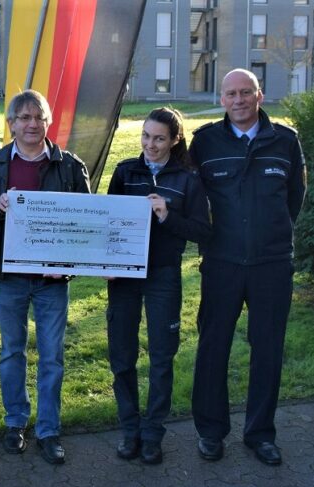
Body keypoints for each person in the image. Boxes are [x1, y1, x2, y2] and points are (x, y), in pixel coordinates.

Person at [0, 90, 90, 464]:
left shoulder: (69, 166)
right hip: (10, 276)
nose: (32, 124)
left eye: (39, 117)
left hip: (52, 280)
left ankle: (48, 430)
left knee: (52, 357)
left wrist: (71, 261)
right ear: (11, 124)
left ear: (48, 122)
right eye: (24, 118)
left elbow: (85, 222)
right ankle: (15, 422)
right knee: (12, 352)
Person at [190, 69, 307, 466]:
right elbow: (192, 196)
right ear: (222, 99)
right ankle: (210, 431)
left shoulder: (285, 141)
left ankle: (260, 434)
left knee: (268, 350)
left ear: (259, 95)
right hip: (221, 263)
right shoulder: (205, 142)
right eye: (231, 94)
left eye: (246, 92)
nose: (238, 100)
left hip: (271, 265)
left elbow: (294, 198)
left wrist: (270, 236)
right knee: (212, 347)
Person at [106, 107, 211, 465]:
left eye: (159, 138)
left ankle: (153, 434)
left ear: (175, 139)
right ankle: (130, 430)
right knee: (122, 356)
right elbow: (108, 224)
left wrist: (168, 216)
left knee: (162, 357)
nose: (150, 145)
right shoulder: (125, 172)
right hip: (124, 276)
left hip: (163, 275)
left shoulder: (188, 179)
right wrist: (106, 263)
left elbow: (201, 231)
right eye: (146, 136)